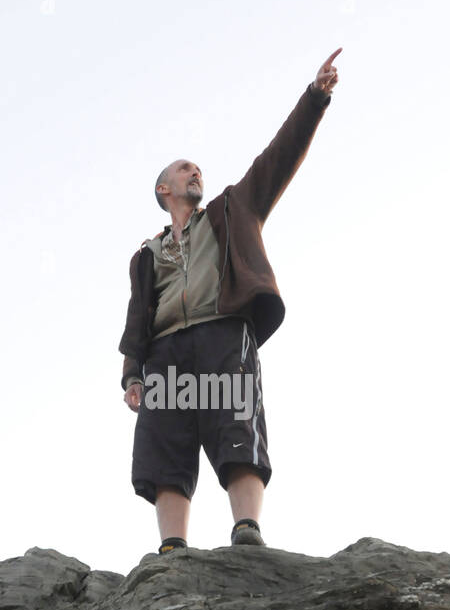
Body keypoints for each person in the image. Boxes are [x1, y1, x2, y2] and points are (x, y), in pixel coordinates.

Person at [119, 48, 341, 555]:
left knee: (235, 424)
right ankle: (173, 547)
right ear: (164, 188)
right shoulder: (146, 255)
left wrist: (315, 99)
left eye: (198, 169)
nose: (196, 173)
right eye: (184, 169)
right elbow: (137, 319)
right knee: (164, 442)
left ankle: (246, 529)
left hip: (222, 333)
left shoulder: (230, 209)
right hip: (166, 351)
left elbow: (277, 159)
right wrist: (133, 374)